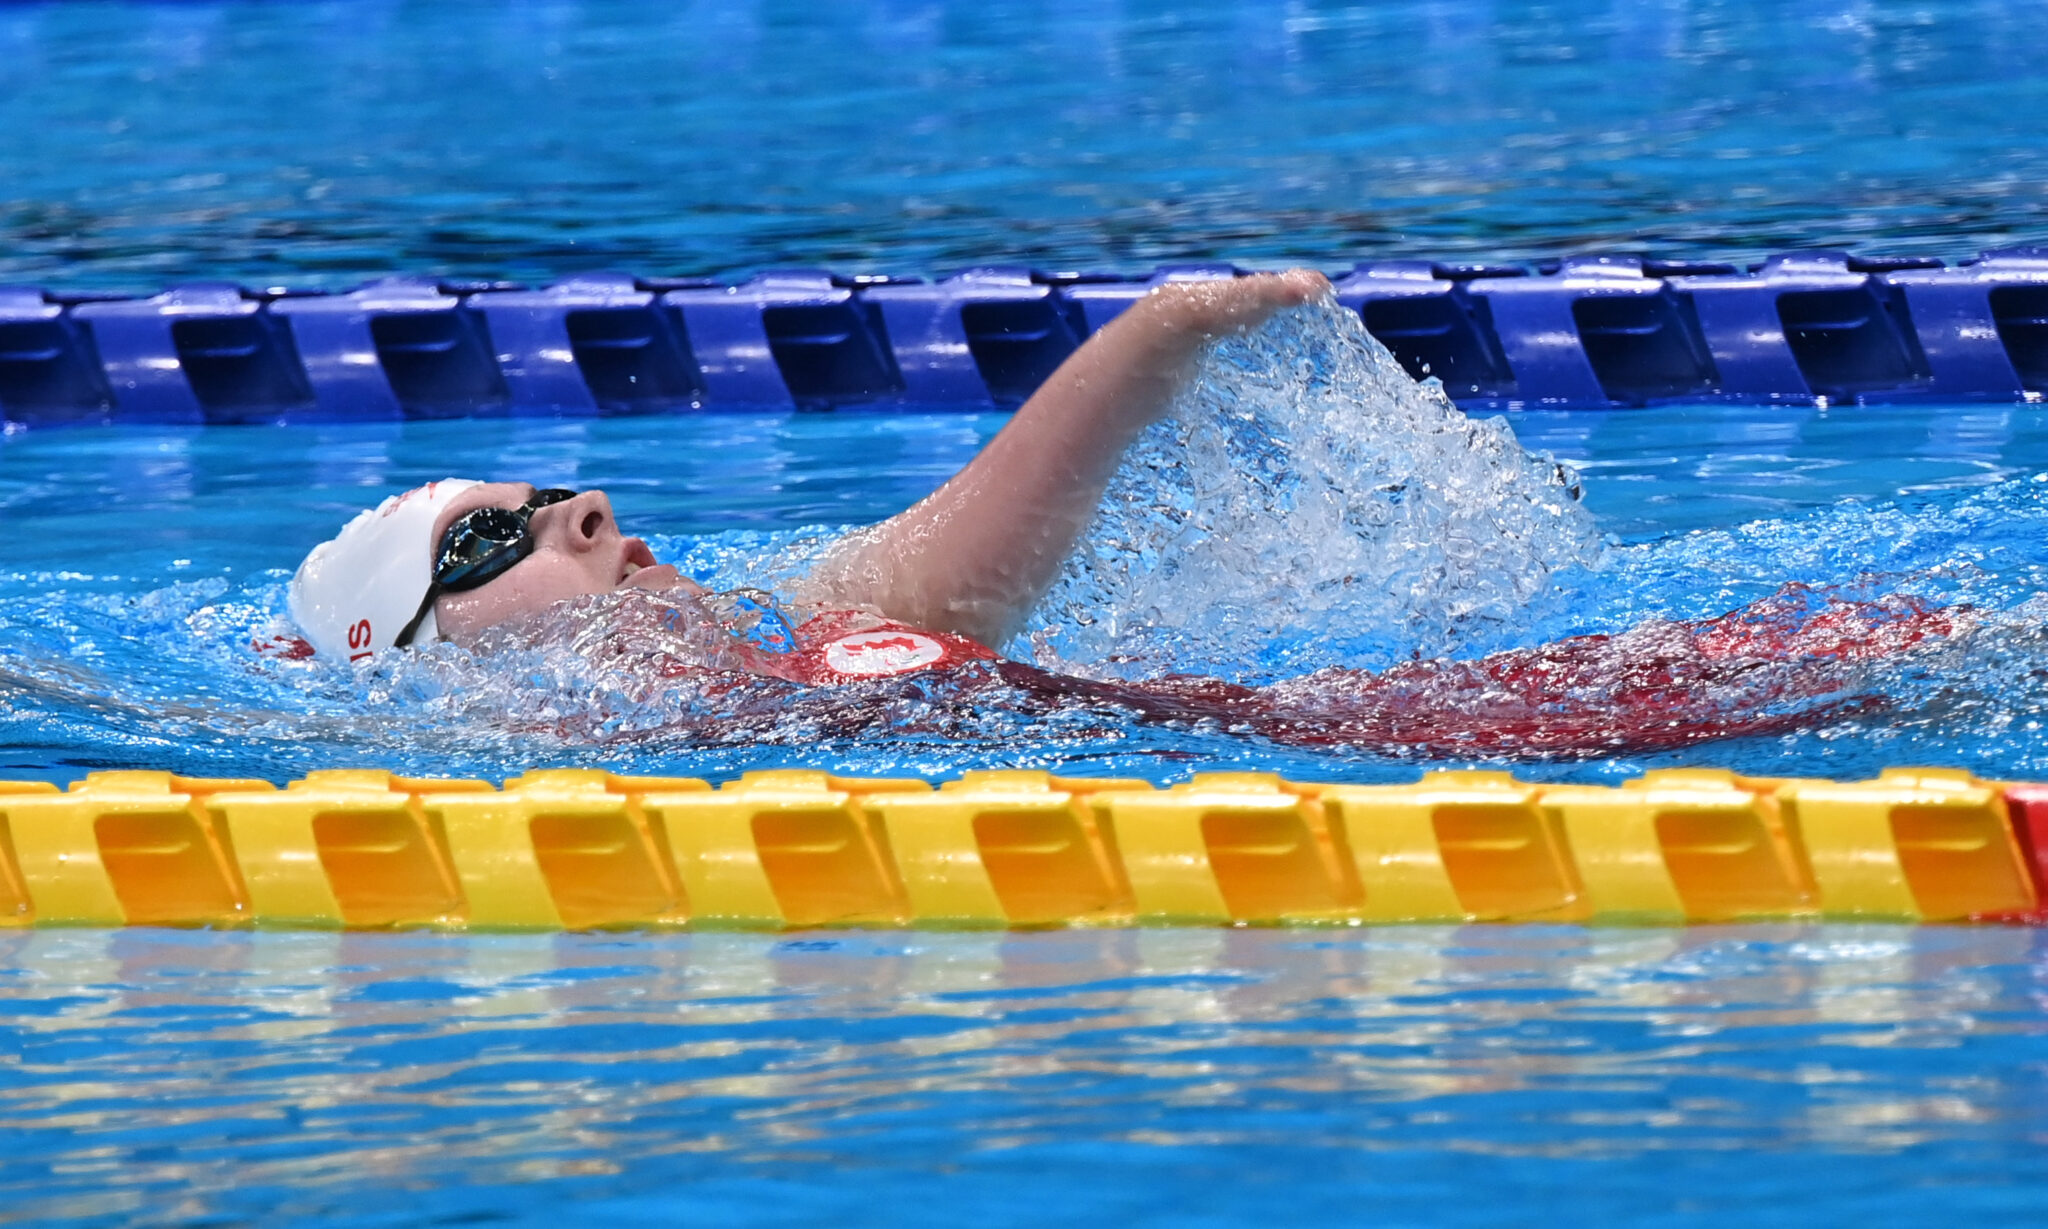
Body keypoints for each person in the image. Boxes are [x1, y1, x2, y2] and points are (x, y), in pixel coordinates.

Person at [288, 270, 1960, 755]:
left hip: (1410, 726)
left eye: (554, 494)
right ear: (425, 663)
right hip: (1403, 765)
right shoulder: (604, 758)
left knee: (1927, 646)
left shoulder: (780, 637)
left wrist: (1155, 336)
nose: (578, 506)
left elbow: (986, 525)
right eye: (491, 542)